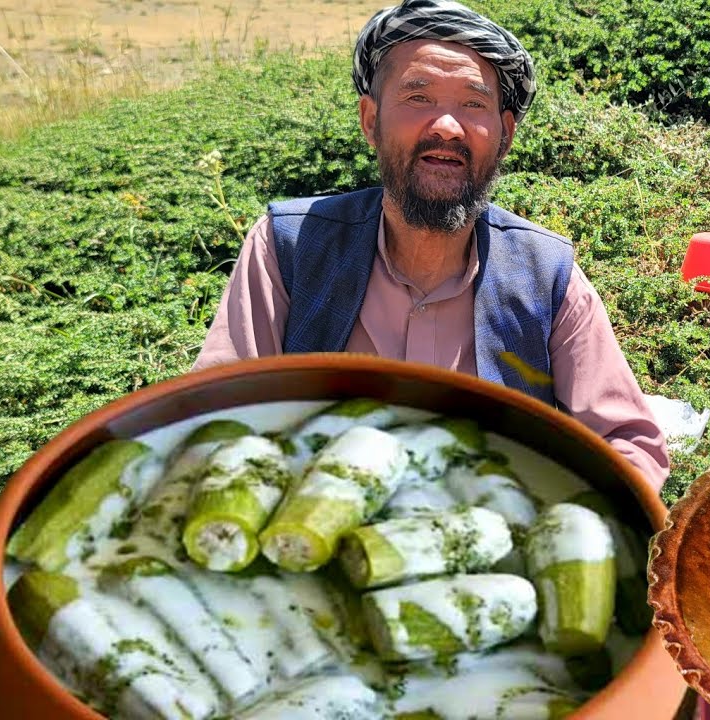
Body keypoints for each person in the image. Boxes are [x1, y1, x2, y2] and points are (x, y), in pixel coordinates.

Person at [193, 0, 669, 488]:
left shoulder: (544, 273)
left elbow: (629, 444)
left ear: (504, 135)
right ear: (369, 120)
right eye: (418, 98)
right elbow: (220, 412)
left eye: (472, 104)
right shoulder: (291, 246)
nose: (447, 126)